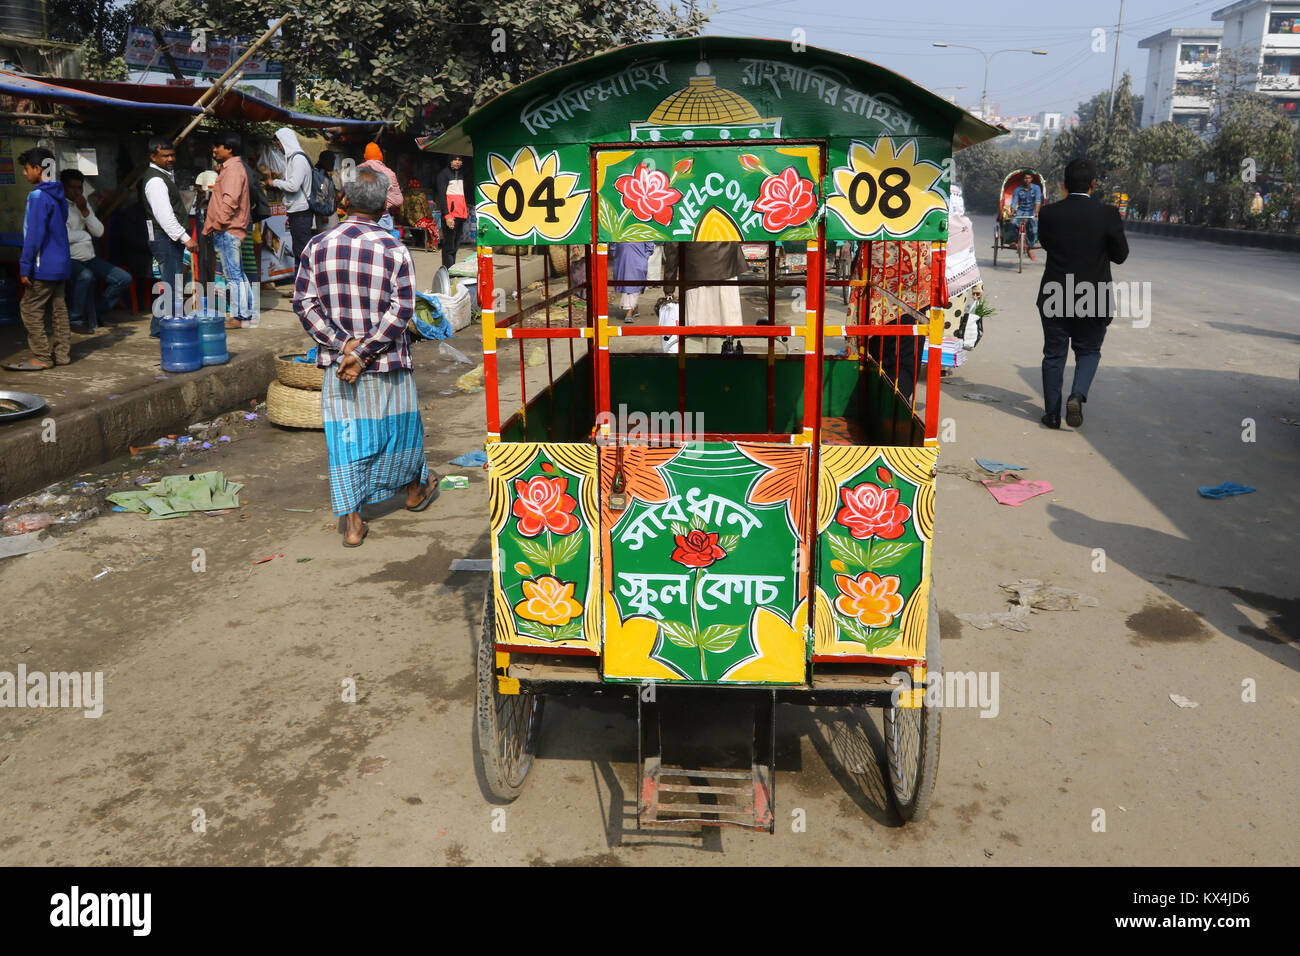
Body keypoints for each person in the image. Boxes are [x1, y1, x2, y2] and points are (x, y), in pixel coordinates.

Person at [293, 167, 436, 548]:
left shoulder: (317, 245)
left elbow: (304, 304)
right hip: (386, 361)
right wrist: (367, 349)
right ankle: (413, 492)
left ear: (345, 200)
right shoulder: (394, 248)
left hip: (340, 366)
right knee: (400, 431)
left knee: (346, 441)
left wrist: (345, 347)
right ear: (383, 205)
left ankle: (354, 525)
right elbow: (402, 309)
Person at [1035, 158, 1129, 430]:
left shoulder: (1049, 213)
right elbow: (1121, 256)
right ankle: (1077, 395)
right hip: (1093, 295)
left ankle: (1052, 414)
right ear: (1093, 184)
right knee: (1088, 351)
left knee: (1054, 354)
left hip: (1054, 293)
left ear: (1064, 185)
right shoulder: (1108, 214)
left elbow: (1045, 243)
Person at [6, 148, 71, 371]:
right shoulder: (59, 194)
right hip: (61, 263)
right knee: (58, 309)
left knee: (30, 308)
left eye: (26, 169)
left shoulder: (38, 196)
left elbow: (34, 235)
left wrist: (25, 267)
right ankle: (62, 354)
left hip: (44, 264)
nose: (25, 174)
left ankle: (42, 356)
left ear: (38, 169)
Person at [60, 169, 132, 332]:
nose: (77, 192)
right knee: (86, 277)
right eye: (73, 188)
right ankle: (75, 319)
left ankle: (96, 313)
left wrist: (85, 211)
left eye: (80, 188)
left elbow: (99, 232)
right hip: (69, 257)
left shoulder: (82, 204)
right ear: (63, 187)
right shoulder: (59, 206)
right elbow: (62, 237)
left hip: (88, 257)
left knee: (123, 279)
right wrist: (84, 235)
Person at [140, 136, 196, 334]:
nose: (170, 159)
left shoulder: (163, 175)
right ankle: (160, 327)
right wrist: (185, 237)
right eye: (165, 156)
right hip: (164, 237)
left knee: (172, 283)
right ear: (153, 157)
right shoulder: (155, 180)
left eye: (172, 155)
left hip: (166, 237)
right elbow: (164, 215)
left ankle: (161, 325)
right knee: (171, 284)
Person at [202, 131, 255, 330]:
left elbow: (230, 201)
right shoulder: (233, 168)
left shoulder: (233, 170)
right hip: (229, 229)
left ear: (229, 149)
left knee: (233, 275)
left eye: (218, 146)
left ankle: (239, 316)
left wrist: (217, 223)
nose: (214, 150)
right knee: (238, 274)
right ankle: (246, 313)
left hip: (227, 230)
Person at [661, 241, 747, 353]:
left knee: (694, 331)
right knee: (721, 325)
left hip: (696, 269)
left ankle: (694, 366)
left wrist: (669, 286)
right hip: (726, 266)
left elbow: (674, 245)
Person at [264, 127, 313, 279]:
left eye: (279, 143)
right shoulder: (293, 159)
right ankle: (300, 286)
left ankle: (306, 286)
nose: (278, 147)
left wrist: (275, 182)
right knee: (299, 251)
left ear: (285, 142)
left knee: (302, 252)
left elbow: (293, 185)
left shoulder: (298, 159)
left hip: (301, 212)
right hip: (296, 211)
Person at [358, 143, 403, 231]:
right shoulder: (389, 173)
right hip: (382, 220)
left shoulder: (357, 171)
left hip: (360, 219)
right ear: (380, 155)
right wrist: (384, 204)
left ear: (365, 156)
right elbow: (398, 201)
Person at [434, 155, 469, 268]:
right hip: (451, 215)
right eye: (455, 160)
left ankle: (452, 270)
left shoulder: (462, 175)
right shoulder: (443, 175)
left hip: (461, 214)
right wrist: (447, 215)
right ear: (449, 161)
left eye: (459, 160)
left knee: (455, 246)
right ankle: (447, 271)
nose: (457, 162)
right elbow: (442, 197)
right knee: (449, 247)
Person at [609, 242, 654, 321]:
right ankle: (634, 307)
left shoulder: (642, 229)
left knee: (634, 282)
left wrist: (644, 256)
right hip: (622, 257)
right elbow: (614, 241)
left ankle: (629, 312)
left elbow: (649, 244)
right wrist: (615, 252)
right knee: (625, 283)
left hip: (638, 258)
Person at [1010, 171, 1043, 258]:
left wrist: (1036, 213)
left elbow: (1038, 200)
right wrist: (1012, 211)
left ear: (1031, 179)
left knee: (1033, 229)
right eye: (1025, 178)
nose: (1027, 180)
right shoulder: (1018, 190)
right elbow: (1014, 202)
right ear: (1022, 179)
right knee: (1013, 222)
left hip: (1032, 210)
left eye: (1028, 178)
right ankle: (1014, 241)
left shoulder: (1036, 188)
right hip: (1021, 210)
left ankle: (1030, 247)